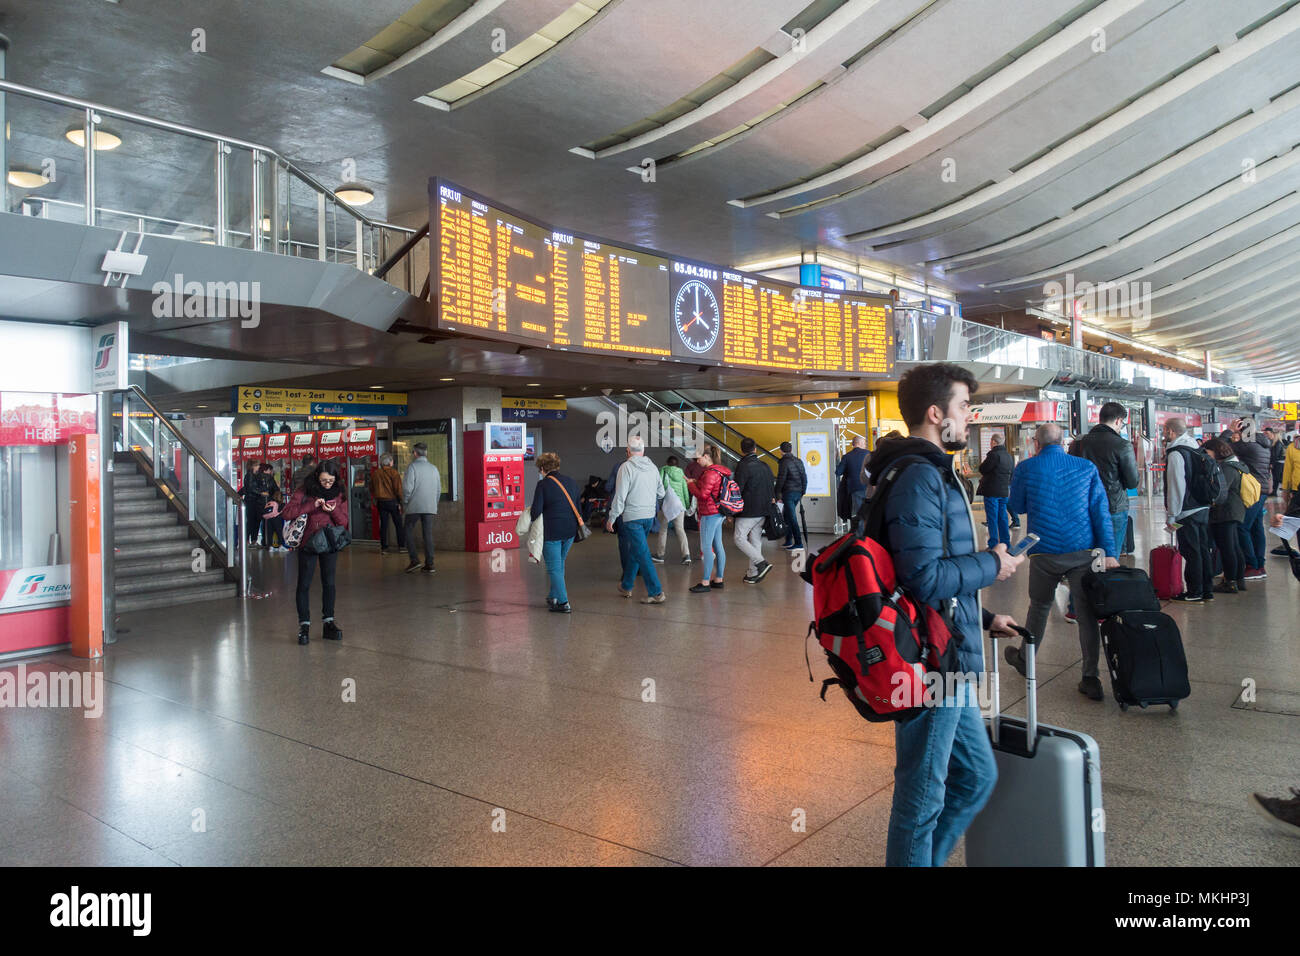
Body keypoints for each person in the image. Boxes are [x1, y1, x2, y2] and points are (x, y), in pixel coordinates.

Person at [864, 363, 1023, 867]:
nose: (969, 417)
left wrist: (984, 616)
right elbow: (924, 578)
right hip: (929, 662)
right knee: (922, 796)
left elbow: (924, 576)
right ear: (936, 414)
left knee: (975, 776)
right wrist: (992, 564)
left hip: (945, 642)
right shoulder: (917, 476)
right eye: (962, 407)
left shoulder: (927, 470)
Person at [1005, 423, 1117, 701]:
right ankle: (1090, 677)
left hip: (1044, 552)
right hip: (1082, 552)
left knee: (1040, 607)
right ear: (1064, 441)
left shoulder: (1026, 468)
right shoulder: (1086, 468)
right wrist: (1110, 552)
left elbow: (1016, 506)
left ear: (1036, 442)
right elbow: (1099, 512)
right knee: (1086, 615)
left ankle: (1025, 659)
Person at [281, 460, 349, 645]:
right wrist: (311, 506)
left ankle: (329, 622)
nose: (327, 484)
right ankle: (304, 626)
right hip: (308, 542)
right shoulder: (305, 489)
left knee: (329, 582)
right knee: (304, 583)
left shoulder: (339, 492)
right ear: (317, 477)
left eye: (330, 481)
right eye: (324, 480)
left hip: (329, 541)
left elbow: (344, 522)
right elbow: (287, 513)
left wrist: (333, 511)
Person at [1071, 402, 1140, 556]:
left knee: (1088, 556)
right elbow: (1132, 482)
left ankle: (1090, 579)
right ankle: (1103, 578)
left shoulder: (1079, 443)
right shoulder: (1122, 445)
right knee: (1109, 556)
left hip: (1084, 506)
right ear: (1118, 421)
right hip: (1113, 507)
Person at [606, 436, 666, 604]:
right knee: (637, 551)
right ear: (643, 450)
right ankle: (626, 585)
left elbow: (620, 496)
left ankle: (656, 592)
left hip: (632, 518)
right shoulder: (653, 467)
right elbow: (661, 493)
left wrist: (612, 517)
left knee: (643, 554)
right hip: (649, 516)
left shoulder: (625, 468)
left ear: (628, 451)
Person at [1164, 417, 1214, 603]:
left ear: (1170, 431)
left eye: (1164, 430)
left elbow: (1177, 486)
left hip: (1187, 511)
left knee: (1191, 552)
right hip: (1202, 506)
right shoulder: (1195, 448)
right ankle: (1207, 589)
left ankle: (1195, 591)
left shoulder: (1176, 453)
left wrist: (1172, 515)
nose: (1163, 433)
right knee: (1202, 550)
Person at [529, 452, 581, 614]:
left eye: (539, 469)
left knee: (554, 568)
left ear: (543, 468)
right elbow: (579, 508)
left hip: (552, 532)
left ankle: (563, 602)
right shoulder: (571, 482)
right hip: (570, 531)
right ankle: (554, 596)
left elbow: (535, 512)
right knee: (559, 564)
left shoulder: (543, 485)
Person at [1202, 436, 1247, 594]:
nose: (1205, 455)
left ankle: (1230, 582)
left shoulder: (1227, 468)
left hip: (1226, 512)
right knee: (1234, 546)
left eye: (1207, 451)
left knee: (1227, 548)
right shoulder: (1234, 463)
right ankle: (1239, 580)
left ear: (1216, 451)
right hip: (1233, 510)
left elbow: (1221, 491)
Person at [1231, 418, 1272, 580]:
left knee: (1242, 527)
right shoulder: (1262, 443)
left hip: (1253, 490)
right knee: (1256, 526)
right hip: (1261, 489)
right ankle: (1259, 565)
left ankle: (1251, 565)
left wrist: (1231, 432)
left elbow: (1224, 450)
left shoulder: (1248, 445)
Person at [687, 444, 730, 594]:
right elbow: (709, 489)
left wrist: (690, 485)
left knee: (706, 547)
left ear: (706, 457)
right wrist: (695, 482)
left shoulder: (710, 473)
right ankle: (718, 579)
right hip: (718, 512)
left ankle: (705, 582)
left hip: (709, 513)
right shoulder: (718, 471)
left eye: (698, 459)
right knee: (718, 544)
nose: (697, 461)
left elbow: (703, 495)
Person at [732, 437, 776, 584]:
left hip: (748, 510)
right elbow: (771, 484)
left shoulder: (742, 466)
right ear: (755, 449)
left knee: (739, 538)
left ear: (741, 450)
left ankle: (761, 562)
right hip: (764, 509)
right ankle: (753, 572)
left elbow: (738, 489)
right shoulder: (765, 465)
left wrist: (731, 510)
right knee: (755, 539)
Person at [402, 441, 441, 573]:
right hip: (430, 506)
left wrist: (405, 502)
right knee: (428, 534)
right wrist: (434, 503)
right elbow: (438, 490)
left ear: (414, 453)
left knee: (407, 530)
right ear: (426, 453)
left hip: (414, 506)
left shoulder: (412, 467)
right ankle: (430, 564)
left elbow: (407, 488)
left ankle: (414, 560)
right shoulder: (434, 468)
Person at [976, 434, 1014, 548]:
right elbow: (1012, 473)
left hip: (991, 491)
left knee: (992, 518)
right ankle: (1006, 542)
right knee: (1003, 517)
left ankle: (993, 543)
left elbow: (983, 469)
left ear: (993, 442)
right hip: (1003, 491)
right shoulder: (1008, 456)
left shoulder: (993, 455)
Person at [653, 454, 692, 565]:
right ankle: (686, 555)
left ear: (667, 463)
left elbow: (659, 486)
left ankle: (660, 555)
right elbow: (685, 491)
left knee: (663, 529)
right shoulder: (681, 474)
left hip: (667, 504)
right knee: (680, 530)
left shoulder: (663, 471)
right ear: (677, 465)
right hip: (680, 505)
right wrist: (687, 504)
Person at [775, 441, 808, 551]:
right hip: (798, 492)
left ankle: (798, 543)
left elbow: (781, 479)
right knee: (788, 516)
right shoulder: (798, 461)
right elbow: (804, 477)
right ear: (791, 449)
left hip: (788, 493)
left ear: (781, 450)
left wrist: (777, 493)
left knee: (792, 518)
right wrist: (803, 491)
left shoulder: (784, 462)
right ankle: (788, 541)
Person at [370, 453, 405, 555]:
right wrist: (400, 502)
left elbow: (371, 488)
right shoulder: (394, 473)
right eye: (392, 461)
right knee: (398, 524)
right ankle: (401, 546)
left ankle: (384, 548)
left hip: (381, 502)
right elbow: (398, 490)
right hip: (393, 501)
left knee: (384, 525)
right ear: (390, 462)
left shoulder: (376, 473)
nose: (393, 462)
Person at [835, 436, 870, 517]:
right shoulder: (868, 454)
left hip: (855, 488)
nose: (865, 446)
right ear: (859, 443)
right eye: (864, 444)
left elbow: (838, 472)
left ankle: (860, 529)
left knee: (858, 514)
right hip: (869, 488)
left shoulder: (847, 456)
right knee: (869, 513)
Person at [1267, 428, 1286, 499]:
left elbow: (1276, 455)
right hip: (1278, 462)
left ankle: (1274, 492)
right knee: (1276, 477)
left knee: (1276, 478)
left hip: (1278, 463)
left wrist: (1272, 463)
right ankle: (1274, 491)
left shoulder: (1278, 443)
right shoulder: (1276, 443)